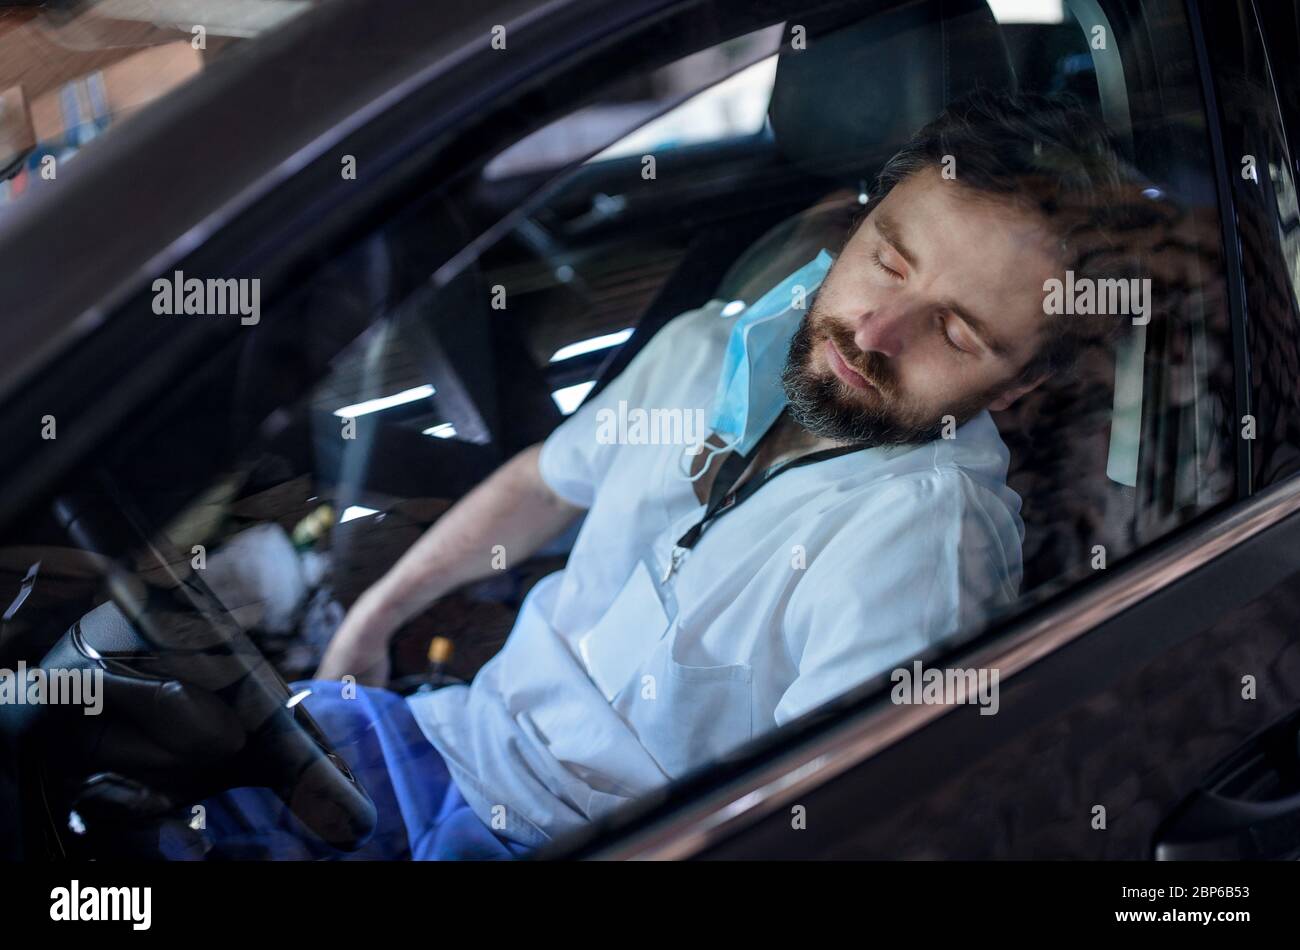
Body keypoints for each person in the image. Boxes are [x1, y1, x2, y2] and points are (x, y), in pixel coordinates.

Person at [238, 90, 1138, 858]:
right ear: (858, 221)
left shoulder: (926, 545)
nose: (873, 332)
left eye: (954, 332)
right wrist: (373, 617)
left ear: (1016, 385)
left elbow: (826, 827)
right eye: (887, 262)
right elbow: (546, 485)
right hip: (443, 736)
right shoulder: (709, 346)